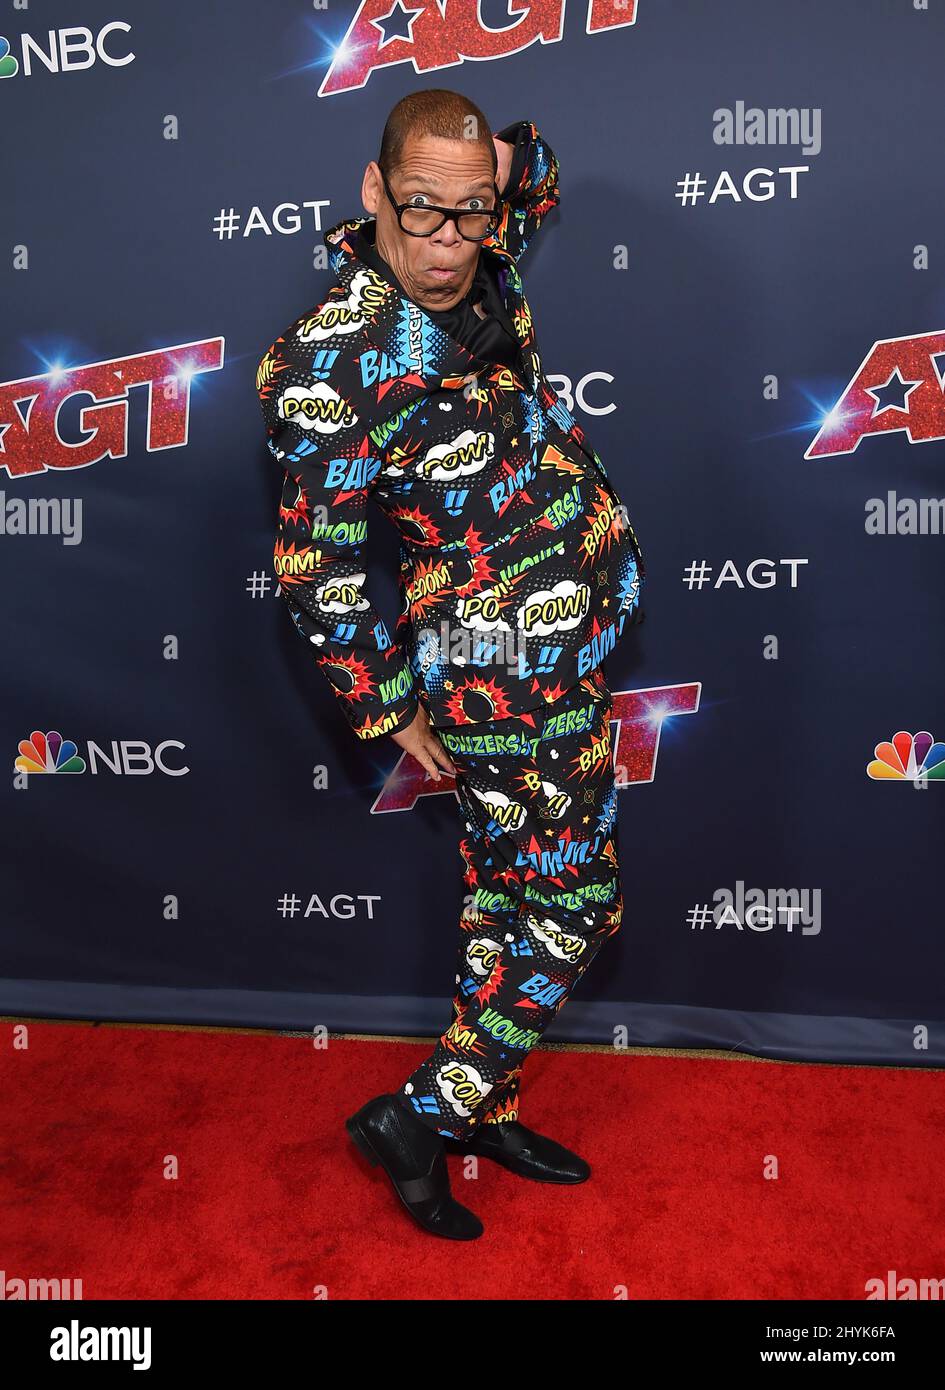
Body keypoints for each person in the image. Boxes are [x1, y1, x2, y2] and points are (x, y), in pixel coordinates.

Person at [256, 88, 646, 1240]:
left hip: (566, 637)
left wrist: (492, 159)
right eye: (418, 209)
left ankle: (485, 1108)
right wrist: (382, 713)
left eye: (470, 214)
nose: (443, 245)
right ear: (371, 192)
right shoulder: (327, 363)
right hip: (495, 666)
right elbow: (315, 569)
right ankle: (424, 1113)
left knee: (501, 900)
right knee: (579, 902)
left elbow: (540, 173)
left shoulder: (483, 249)